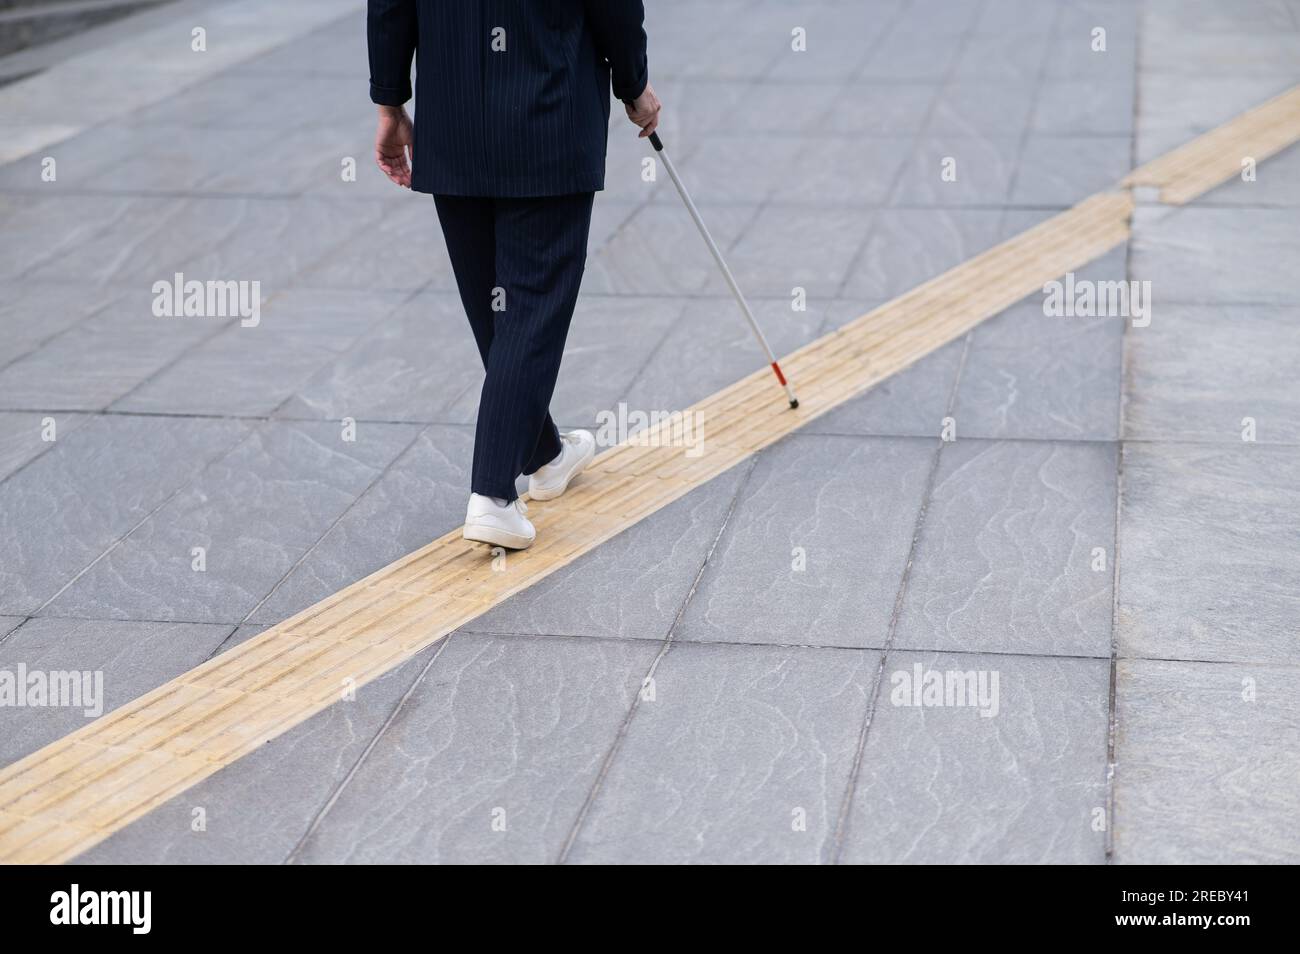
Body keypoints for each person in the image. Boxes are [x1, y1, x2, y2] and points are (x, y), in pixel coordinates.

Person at [367, 1, 661, 550]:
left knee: (496, 306)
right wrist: (634, 82)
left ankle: (545, 453)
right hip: (548, 111)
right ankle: (493, 495)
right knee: (529, 305)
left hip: (452, 120)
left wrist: (390, 102)